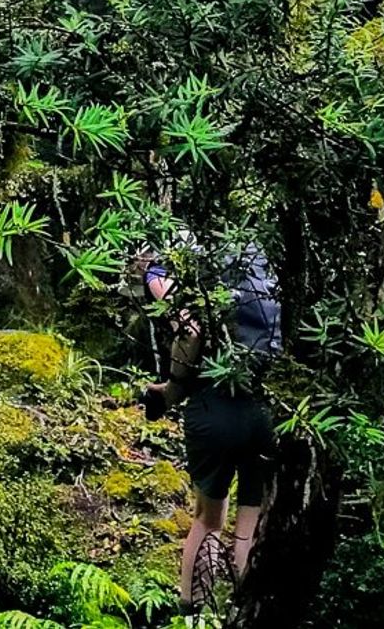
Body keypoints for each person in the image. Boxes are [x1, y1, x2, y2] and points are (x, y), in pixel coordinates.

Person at [139, 255, 277, 610]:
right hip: (268, 412)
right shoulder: (273, 273)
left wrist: (171, 389)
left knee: (209, 520)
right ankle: (244, 613)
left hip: (215, 408)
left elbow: (191, 332)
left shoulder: (187, 270)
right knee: (250, 524)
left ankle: (192, 613)